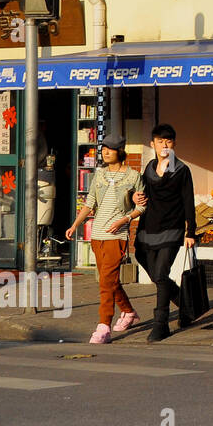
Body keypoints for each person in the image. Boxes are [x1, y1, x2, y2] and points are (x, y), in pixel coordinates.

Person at [64, 136, 143, 344]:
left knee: (106, 282)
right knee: (109, 280)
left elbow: (142, 207)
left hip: (116, 235)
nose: (105, 152)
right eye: (104, 149)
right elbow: (90, 203)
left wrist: (124, 220)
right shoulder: (99, 175)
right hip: (97, 234)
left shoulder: (133, 176)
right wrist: (75, 225)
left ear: (120, 152)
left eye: (110, 149)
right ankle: (128, 311)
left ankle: (103, 326)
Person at [132, 124, 196, 342]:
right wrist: (135, 199)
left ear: (174, 144)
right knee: (142, 258)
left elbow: (189, 202)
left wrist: (191, 231)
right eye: (160, 141)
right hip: (148, 227)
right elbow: (142, 195)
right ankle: (186, 305)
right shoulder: (149, 168)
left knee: (160, 274)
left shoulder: (181, 170)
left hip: (172, 228)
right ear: (153, 144)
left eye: (168, 141)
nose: (164, 145)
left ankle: (161, 324)